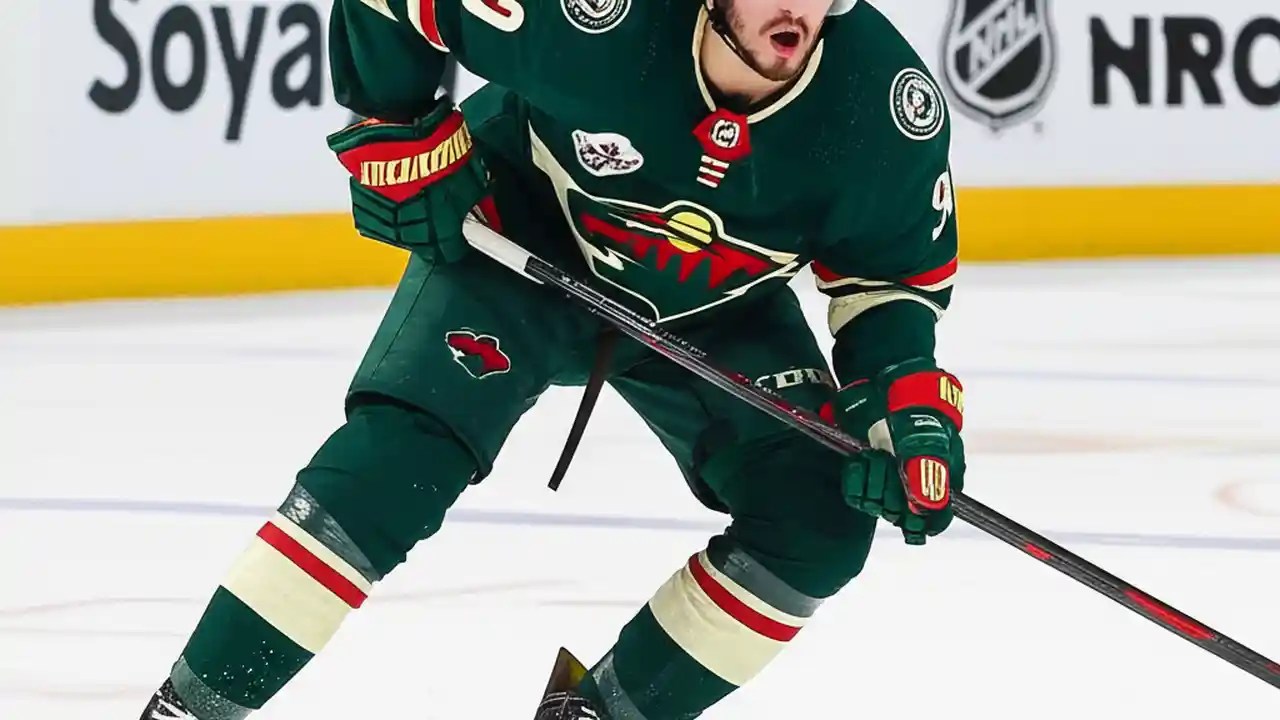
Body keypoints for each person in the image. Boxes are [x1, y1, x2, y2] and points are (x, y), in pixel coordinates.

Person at [138, 0, 966, 715]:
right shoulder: (593, 20)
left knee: (820, 518)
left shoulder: (886, 109)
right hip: (518, 238)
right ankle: (191, 708)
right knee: (393, 467)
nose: (796, 9)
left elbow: (891, 282)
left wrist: (904, 414)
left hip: (716, 309)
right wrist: (398, 136)